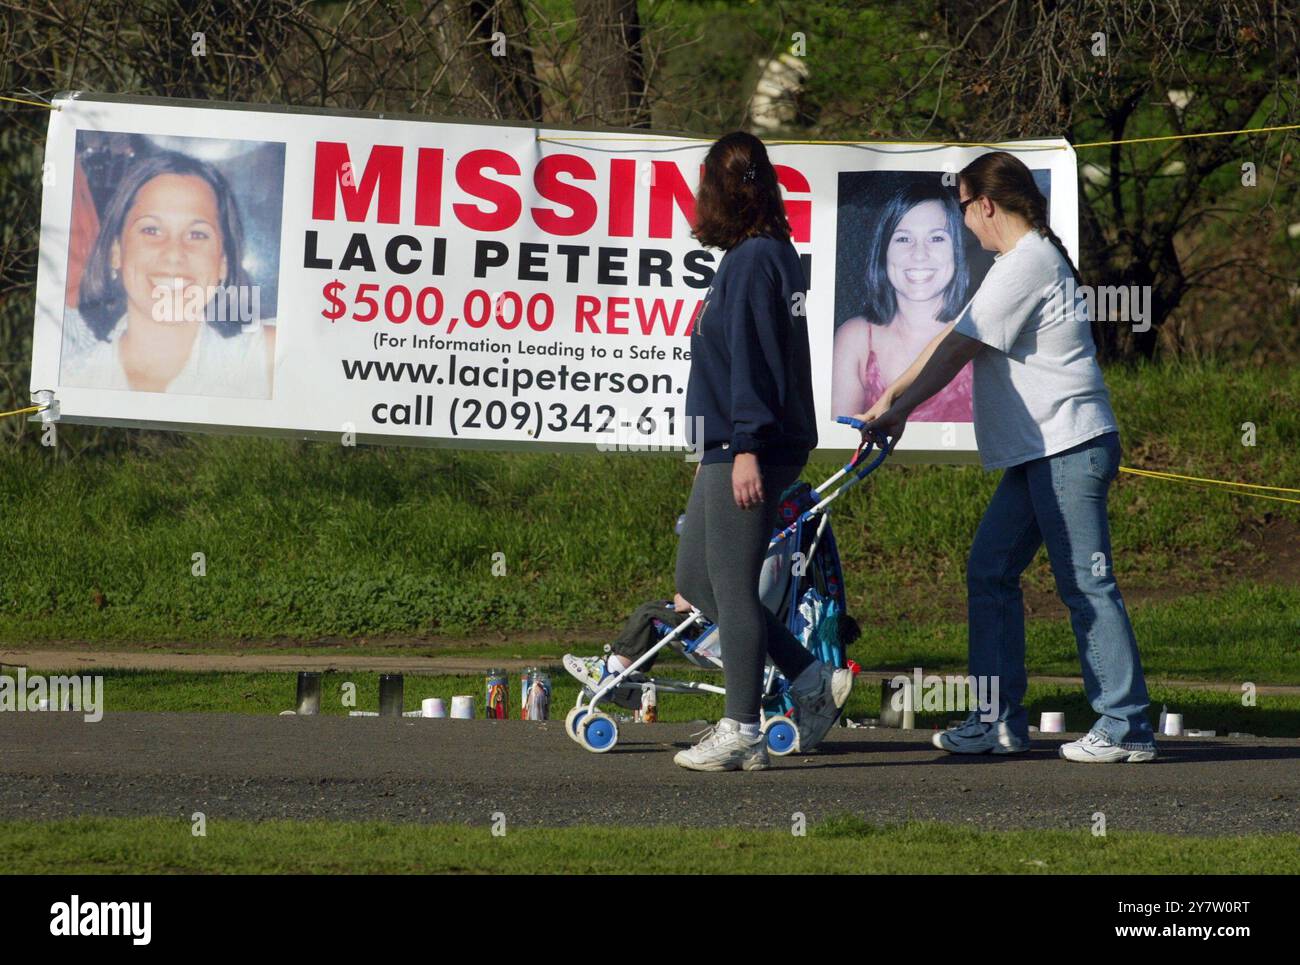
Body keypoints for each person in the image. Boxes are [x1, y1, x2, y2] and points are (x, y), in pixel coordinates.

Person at [856, 150, 1157, 763]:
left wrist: (899, 406)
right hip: (1038, 451)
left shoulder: (1029, 262)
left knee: (1085, 584)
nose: (963, 221)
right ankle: (997, 723)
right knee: (990, 570)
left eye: (963, 208)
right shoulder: (1016, 263)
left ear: (985, 205)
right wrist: (891, 396)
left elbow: (956, 349)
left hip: (1068, 444)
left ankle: (1125, 726)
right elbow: (952, 336)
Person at [671, 131, 852, 773]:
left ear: (726, 192)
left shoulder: (753, 261)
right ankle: (807, 678)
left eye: (704, 186)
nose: (698, 199)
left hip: (748, 445)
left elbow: (752, 364)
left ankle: (741, 728)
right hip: (726, 444)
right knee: (696, 581)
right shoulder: (767, 255)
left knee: (732, 587)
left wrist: (745, 446)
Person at [62, 150, 275, 399]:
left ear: (223, 263)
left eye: (197, 234)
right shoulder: (70, 381)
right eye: (151, 230)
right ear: (116, 252)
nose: (174, 253)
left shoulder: (267, 361)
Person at [832, 179, 973, 422]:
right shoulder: (855, 337)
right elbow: (839, 442)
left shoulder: (980, 332)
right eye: (903, 239)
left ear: (958, 250)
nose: (919, 254)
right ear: (883, 250)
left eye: (937, 238)